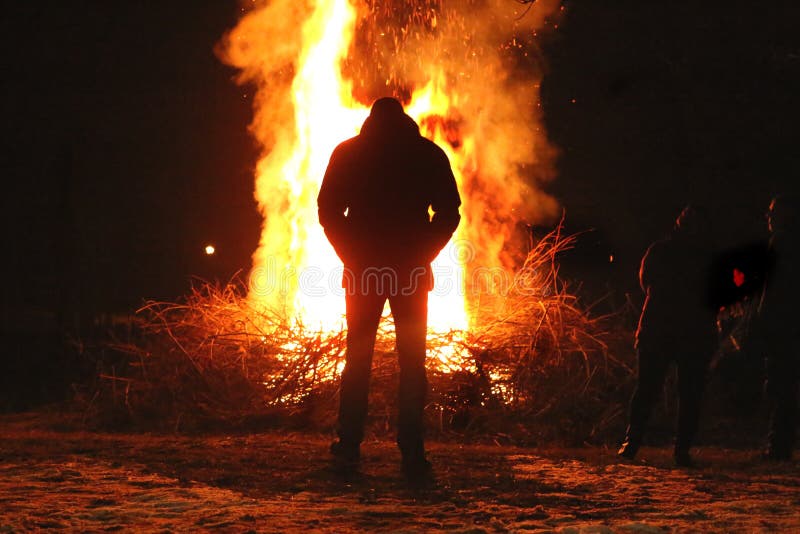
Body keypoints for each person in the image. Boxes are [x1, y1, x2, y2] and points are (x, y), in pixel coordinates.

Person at [318, 97, 461, 479]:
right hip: (409, 272)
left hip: (364, 271)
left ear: (370, 121)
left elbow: (328, 210)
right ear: (404, 122)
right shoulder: (427, 153)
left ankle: (348, 447)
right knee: (413, 363)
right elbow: (449, 212)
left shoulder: (348, 153)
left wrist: (351, 252)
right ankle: (412, 452)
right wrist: (423, 253)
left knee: (357, 360)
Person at [618, 205, 719, 467]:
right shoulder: (701, 256)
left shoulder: (663, 251)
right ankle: (675, 449)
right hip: (676, 331)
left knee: (660, 391)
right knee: (678, 393)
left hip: (669, 331)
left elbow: (645, 282)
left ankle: (636, 444)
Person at [754, 195, 798, 460]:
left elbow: (772, 290)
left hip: (783, 325)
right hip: (788, 323)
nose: (768, 218)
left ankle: (779, 446)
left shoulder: (781, 243)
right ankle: (780, 443)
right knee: (785, 386)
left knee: (781, 386)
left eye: (773, 213)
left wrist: (762, 320)